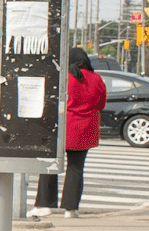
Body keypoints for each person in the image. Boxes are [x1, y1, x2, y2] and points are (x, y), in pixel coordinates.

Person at [28, 47, 108, 220]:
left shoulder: (64, 76)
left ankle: (44, 205)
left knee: (49, 165)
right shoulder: (96, 79)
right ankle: (71, 210)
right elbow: (101, 104)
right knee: (76, 168)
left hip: (62, 127)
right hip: (85, 129)